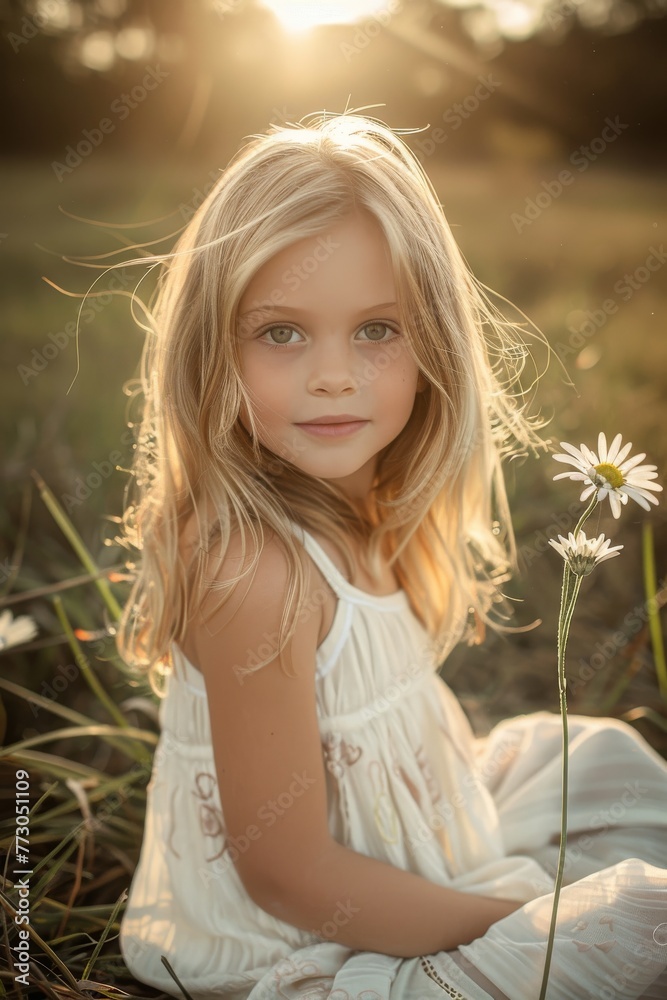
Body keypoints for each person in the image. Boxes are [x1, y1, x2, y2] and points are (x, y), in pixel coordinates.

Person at [115, 112, 667, 999]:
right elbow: (288, 877)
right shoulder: (253, 573)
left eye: (376, 330)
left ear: (433, 346)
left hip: (416, 869)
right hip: (306, 948)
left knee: (595, 761)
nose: (333, 375)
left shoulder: (364, 504)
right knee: (641, 921)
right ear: (212, 349)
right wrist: (520, 928)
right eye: (282, 332)